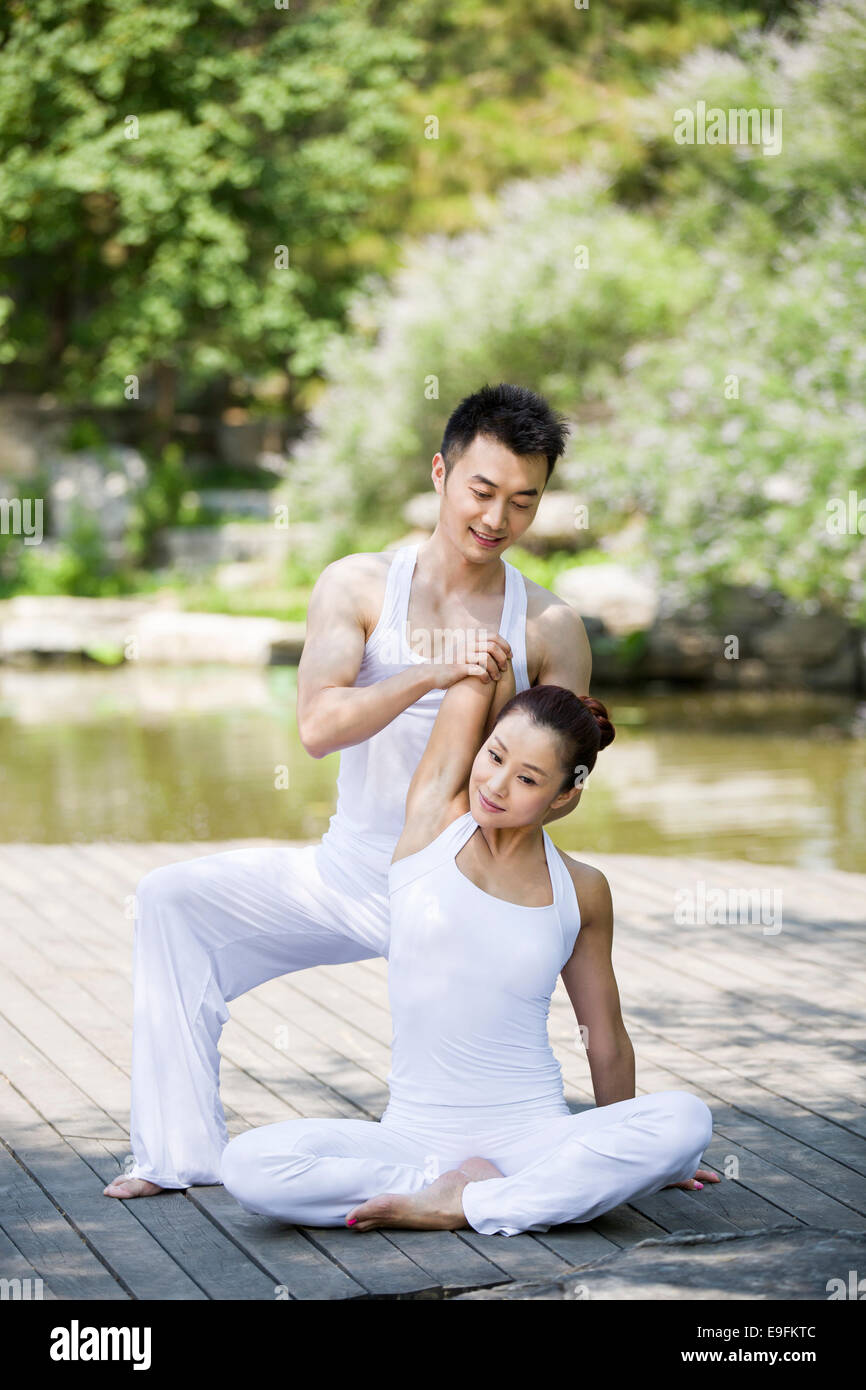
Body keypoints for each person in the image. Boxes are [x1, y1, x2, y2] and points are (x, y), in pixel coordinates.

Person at [105, 383, 594, 1198]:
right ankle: (176, 1156)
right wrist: (428, 674)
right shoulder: (359, 586)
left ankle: (563, 1148)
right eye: (482, 490)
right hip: (353, 873)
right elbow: (319, 726)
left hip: (462, 891)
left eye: (522, 501)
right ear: (440, 473)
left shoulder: (549, 626)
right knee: (170, 901)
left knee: (522, 1037)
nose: (497, 518)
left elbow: (569, 785)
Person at [219, 667, 717, 1234]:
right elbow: (475, 682)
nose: (497, 785)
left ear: (565, 796)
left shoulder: (581, 889)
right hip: (414, 1138)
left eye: (529, 780)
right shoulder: (433, 824)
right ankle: (471, 1194)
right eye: (494, 756)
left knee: (685, 1122)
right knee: (248, 1165)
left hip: (534, 1134)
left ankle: (466, 1204)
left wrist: (626, 1144)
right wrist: (467, 658)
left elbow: (604, 1037)